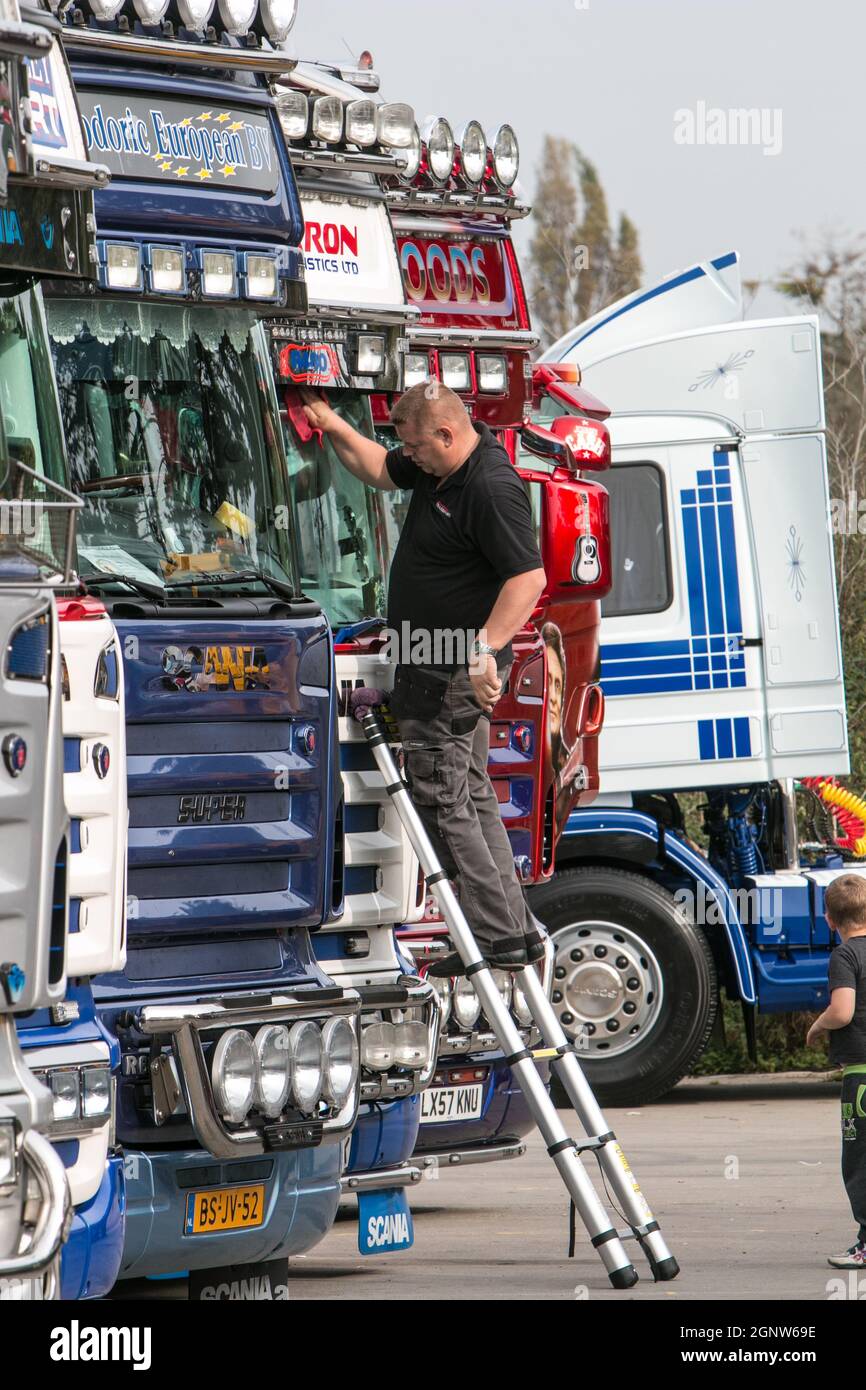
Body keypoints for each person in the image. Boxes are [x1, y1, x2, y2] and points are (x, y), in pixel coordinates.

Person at [301, 381, 547, 972]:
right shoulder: (437, 468)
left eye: (414, 445)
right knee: (471, 796)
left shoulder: (488, 487)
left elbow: (528, 580)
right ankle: (513, 929)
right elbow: (380, 469)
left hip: (449, 674)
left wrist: (484, 650)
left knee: (442, 804)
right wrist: (331, 424)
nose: (407, 455)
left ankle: (494, 939)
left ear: (446, 433)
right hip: (432, 665)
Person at [805, 874, 866, 1269]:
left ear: (829, 919)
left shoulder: (845, 956)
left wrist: (817, 1026)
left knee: (860, 1163)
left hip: (861, 1076)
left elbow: (842, 1011)